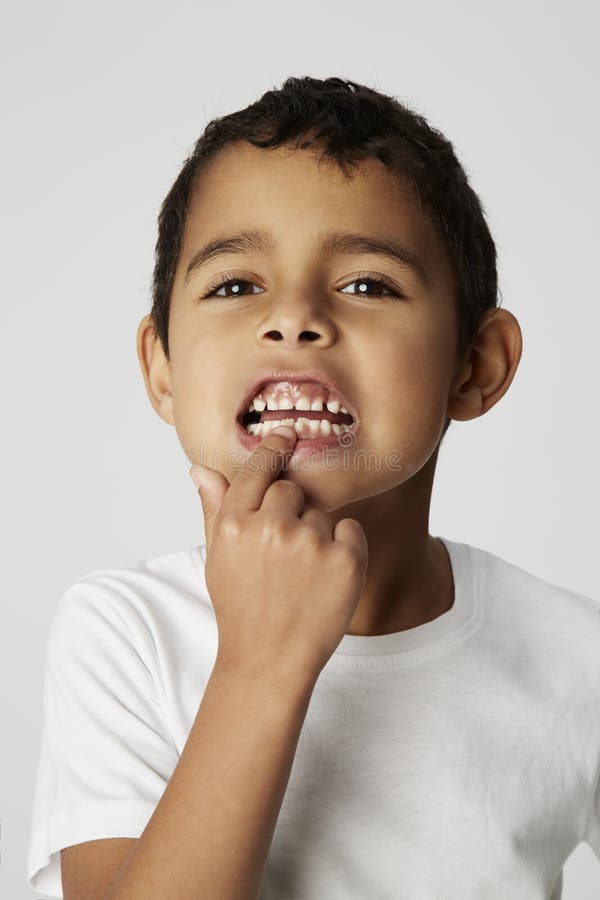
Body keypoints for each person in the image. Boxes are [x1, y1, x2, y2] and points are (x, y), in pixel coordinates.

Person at [28, 75, 600, 899]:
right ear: (163, 369)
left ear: (475, 367)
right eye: (235, 285)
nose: (293, 317)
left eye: (367, 285)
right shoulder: (124, 634)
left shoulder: (574, 657)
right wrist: (262, 664)